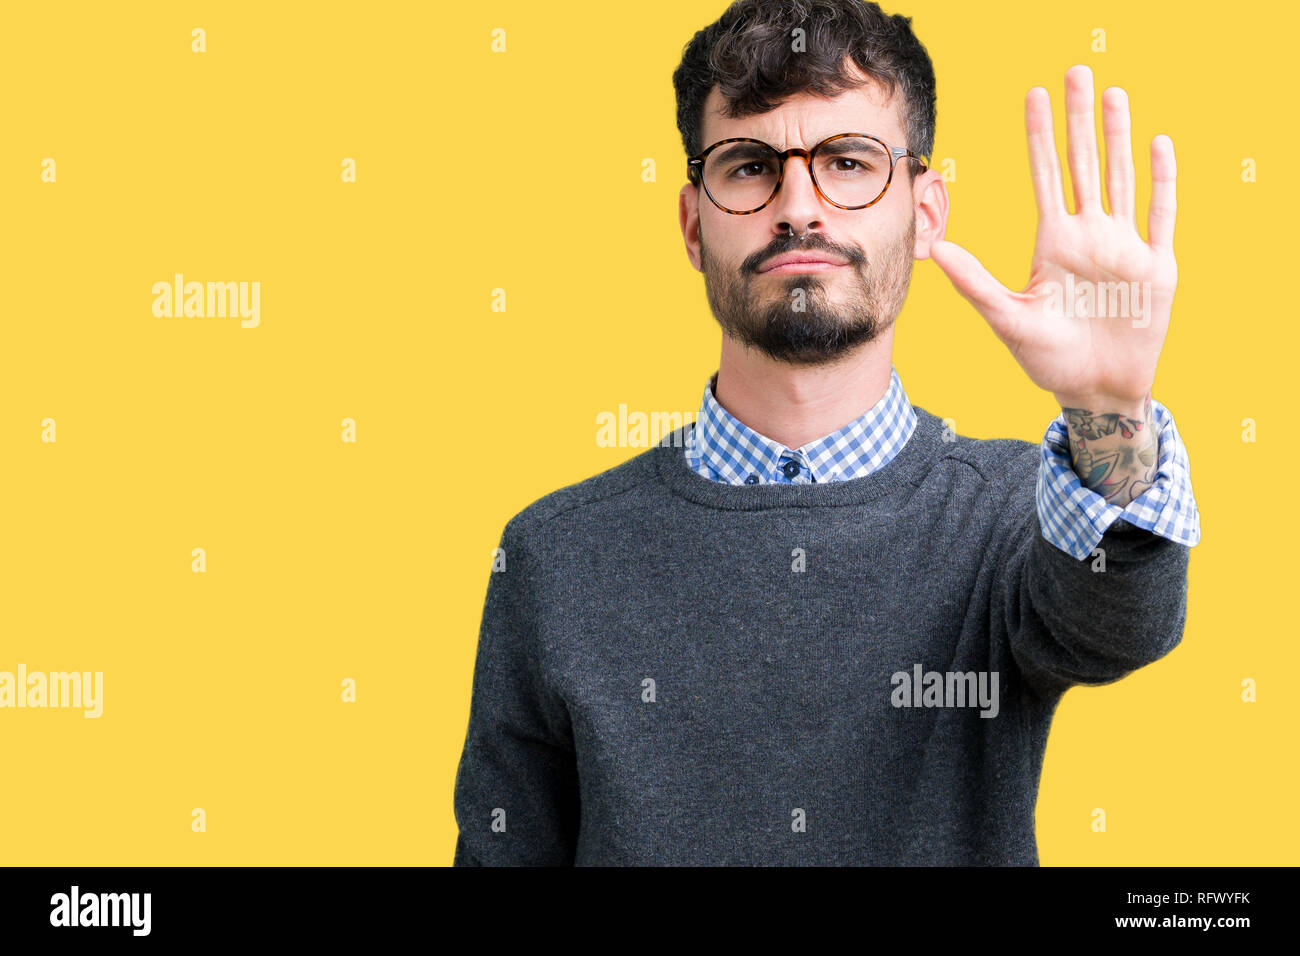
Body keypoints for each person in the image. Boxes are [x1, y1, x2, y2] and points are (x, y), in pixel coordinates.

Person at [452, 0, 1200, 865]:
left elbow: (1123, 628)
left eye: (848, 162)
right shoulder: (555, 555)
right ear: (695, 225)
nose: (799, 206)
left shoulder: (1013, 513)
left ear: (926, 212)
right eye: (749, 166)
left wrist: (1108, 406)